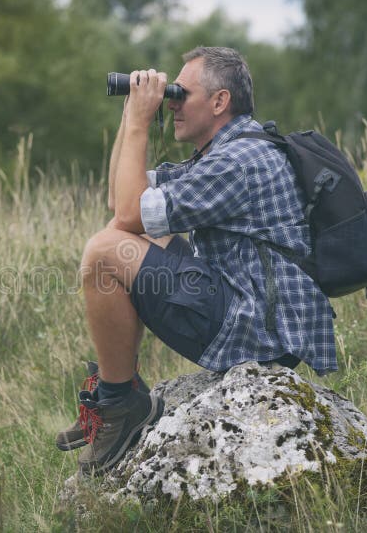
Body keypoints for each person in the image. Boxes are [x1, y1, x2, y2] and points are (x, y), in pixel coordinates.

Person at [56, 46, 337, 474]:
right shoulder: (224, 152)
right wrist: (132, 112)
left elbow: (128, 211)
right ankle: (122, 392)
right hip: (248, 307)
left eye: (181, 94)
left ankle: (119, 405)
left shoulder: (240, 161)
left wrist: (139, 124)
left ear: (220, 101)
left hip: (257, 331)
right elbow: (122, 201)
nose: (171, 103)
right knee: (128, 234)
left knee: (102, 252)